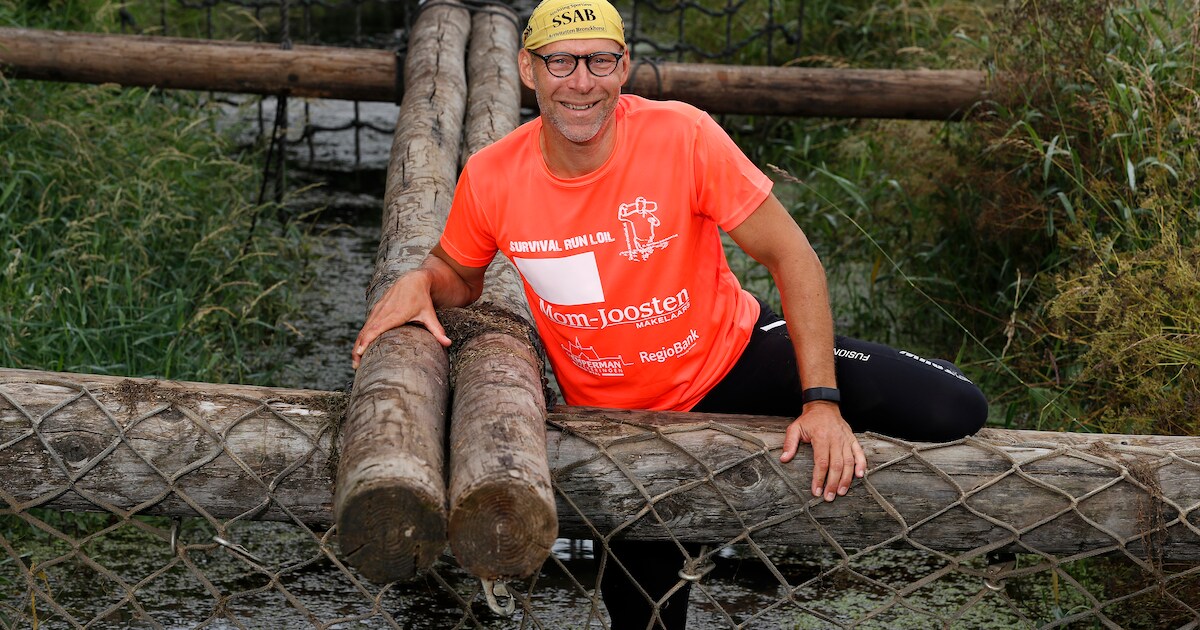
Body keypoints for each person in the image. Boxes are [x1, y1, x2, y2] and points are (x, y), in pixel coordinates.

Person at [351, 0, 988, 626]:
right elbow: (459, 275)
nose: (581, 82)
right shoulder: (494, 175)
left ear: (624, 67)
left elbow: (793, 256)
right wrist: (421, 280)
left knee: (955, 407)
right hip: (624, 426)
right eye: (561, 62)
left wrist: (820, 401)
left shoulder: (682, 135)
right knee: (647, 619)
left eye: (600, 61)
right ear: (527, 70)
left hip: (732, 357)